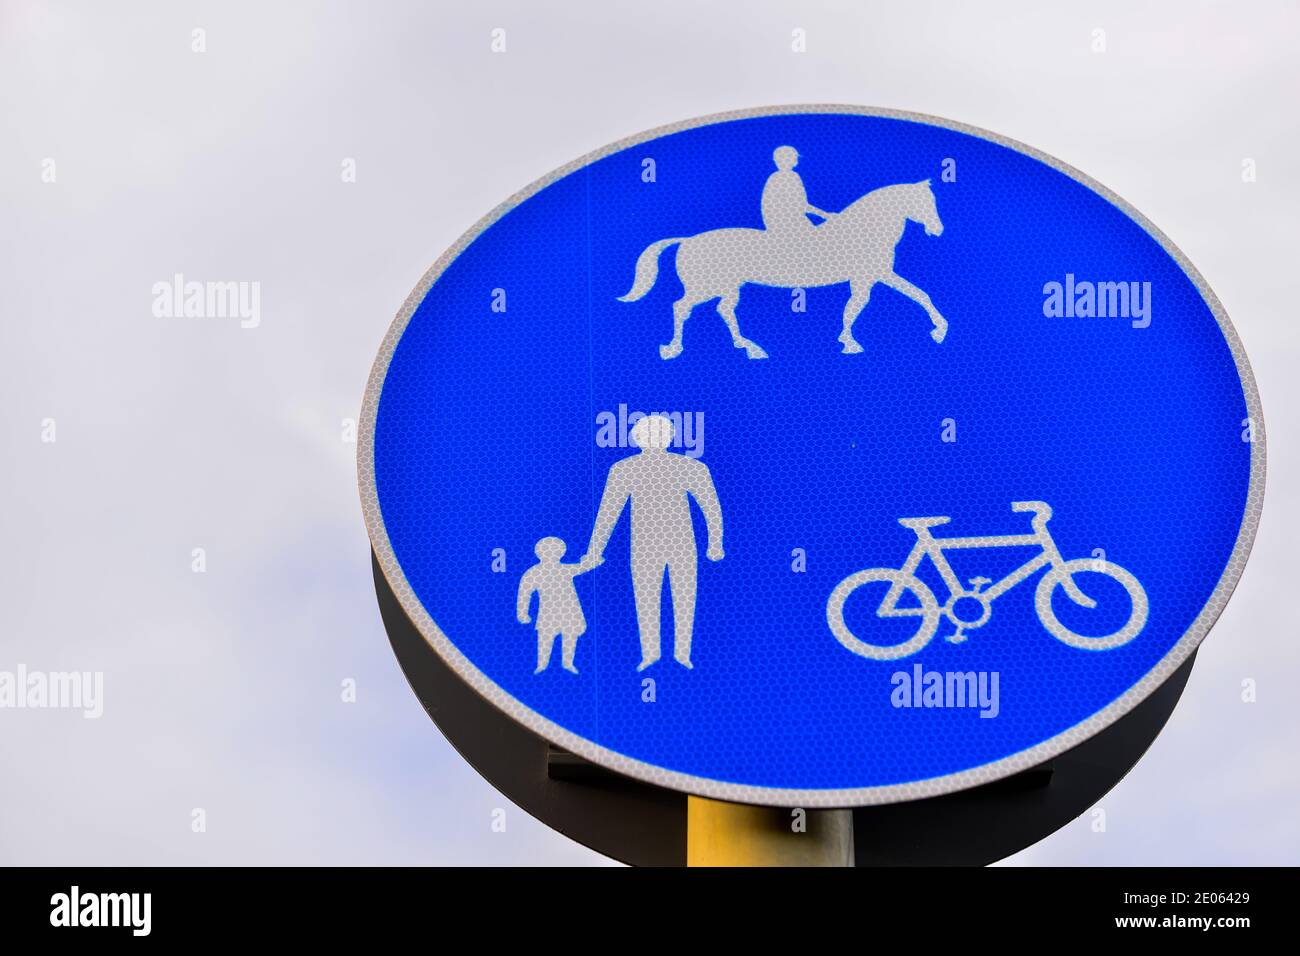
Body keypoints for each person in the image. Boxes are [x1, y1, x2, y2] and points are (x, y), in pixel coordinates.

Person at [582, 416, 723, 671]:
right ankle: (650, 654)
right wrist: (594, 550)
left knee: (684, 597)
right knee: (646, 598)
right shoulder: (624, 469)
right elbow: (608, 513)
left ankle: (683, 653)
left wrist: (715, 542)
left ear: (669, 437)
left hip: (681, 544)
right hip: (645, 546)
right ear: (638, 439)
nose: (653, 439)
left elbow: (710, 506)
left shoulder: (691, 467)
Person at [517, 536, 592, 674]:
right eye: (549, 551)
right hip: (548, 612)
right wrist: (522, 613)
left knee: (570, 635)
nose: (553, 554)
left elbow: (583, 567)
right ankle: (542, 665)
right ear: (540, 552)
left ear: (561, 553)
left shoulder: (565, 569)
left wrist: (591, 560)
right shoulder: (534, 573)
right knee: (545, 637)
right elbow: (524, 593)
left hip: (570, 610)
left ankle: (568, 663)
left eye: (556, 551)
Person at [761, 146, 836, 237]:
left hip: (777, 223)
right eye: (794, 158)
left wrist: (825, 215)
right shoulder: (791, 177)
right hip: (788, 224)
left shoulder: (774, 177)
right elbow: (802, 206)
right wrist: (825, 215)